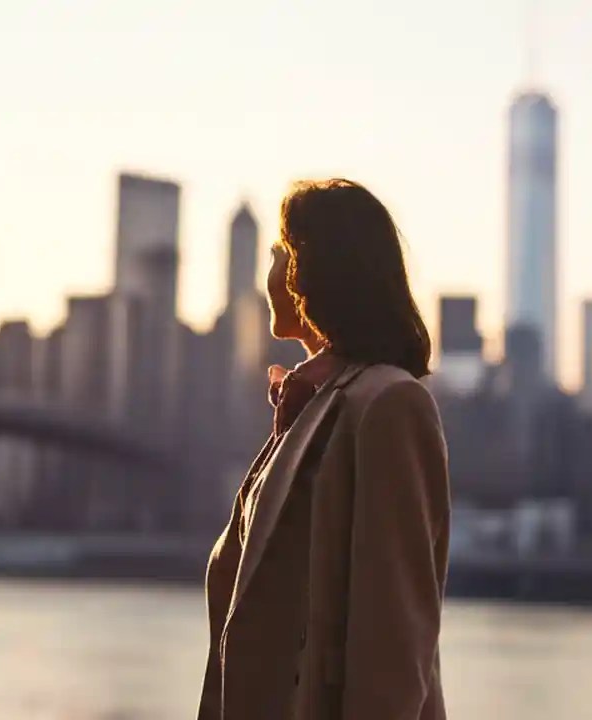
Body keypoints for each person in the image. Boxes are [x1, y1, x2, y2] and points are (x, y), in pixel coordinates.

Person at [199, 179, 450, 719]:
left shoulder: (388, 403)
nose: (268, 272)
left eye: (277, 253)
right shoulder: (309, 405)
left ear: (310, 269)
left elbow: (394, 641)